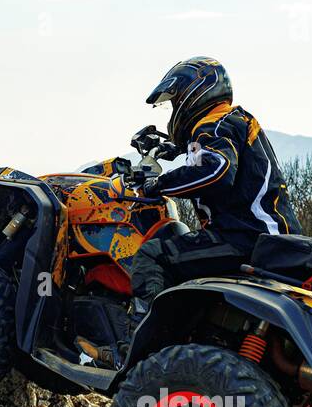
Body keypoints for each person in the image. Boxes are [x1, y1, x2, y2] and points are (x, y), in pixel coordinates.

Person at [129, 57, 302, 322]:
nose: (174, 109)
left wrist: (158, 185)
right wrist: (175, 150)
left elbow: (216, 170)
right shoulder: (229, 120)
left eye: (175, 102)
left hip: (246, 239)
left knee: (153, 256)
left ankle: (141, 343)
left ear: (194, 92)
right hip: (270, 239)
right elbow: (211, 156)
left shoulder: (213, 124)